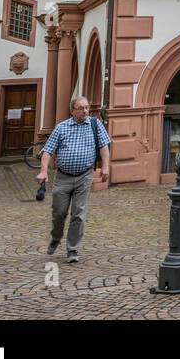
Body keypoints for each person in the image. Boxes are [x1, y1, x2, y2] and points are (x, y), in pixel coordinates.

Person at [37, 96, 111, 263]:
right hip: (63, 177)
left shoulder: (95, 124)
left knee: (79, 214)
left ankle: (72, 249)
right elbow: (47, 150)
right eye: (80, 108)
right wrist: (43, 171)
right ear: (72, 111)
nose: (85, 111)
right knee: (59, 213)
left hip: (84, 176)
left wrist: (105, 167)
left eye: (86, 107)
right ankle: (56, 238)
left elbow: (104, 146)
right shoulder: (61, 128)